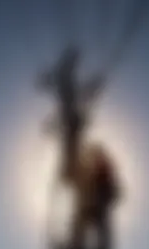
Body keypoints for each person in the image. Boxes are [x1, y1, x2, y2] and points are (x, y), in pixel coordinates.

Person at [37, 45, 104, 183]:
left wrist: (94, 86)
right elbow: (78, 93)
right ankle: (69, 171)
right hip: (71, 118)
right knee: (72, 139)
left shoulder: (64, 83)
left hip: (72, 118)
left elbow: (80, 94)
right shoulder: (62, 81)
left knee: (72, 139)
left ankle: (69, 171)